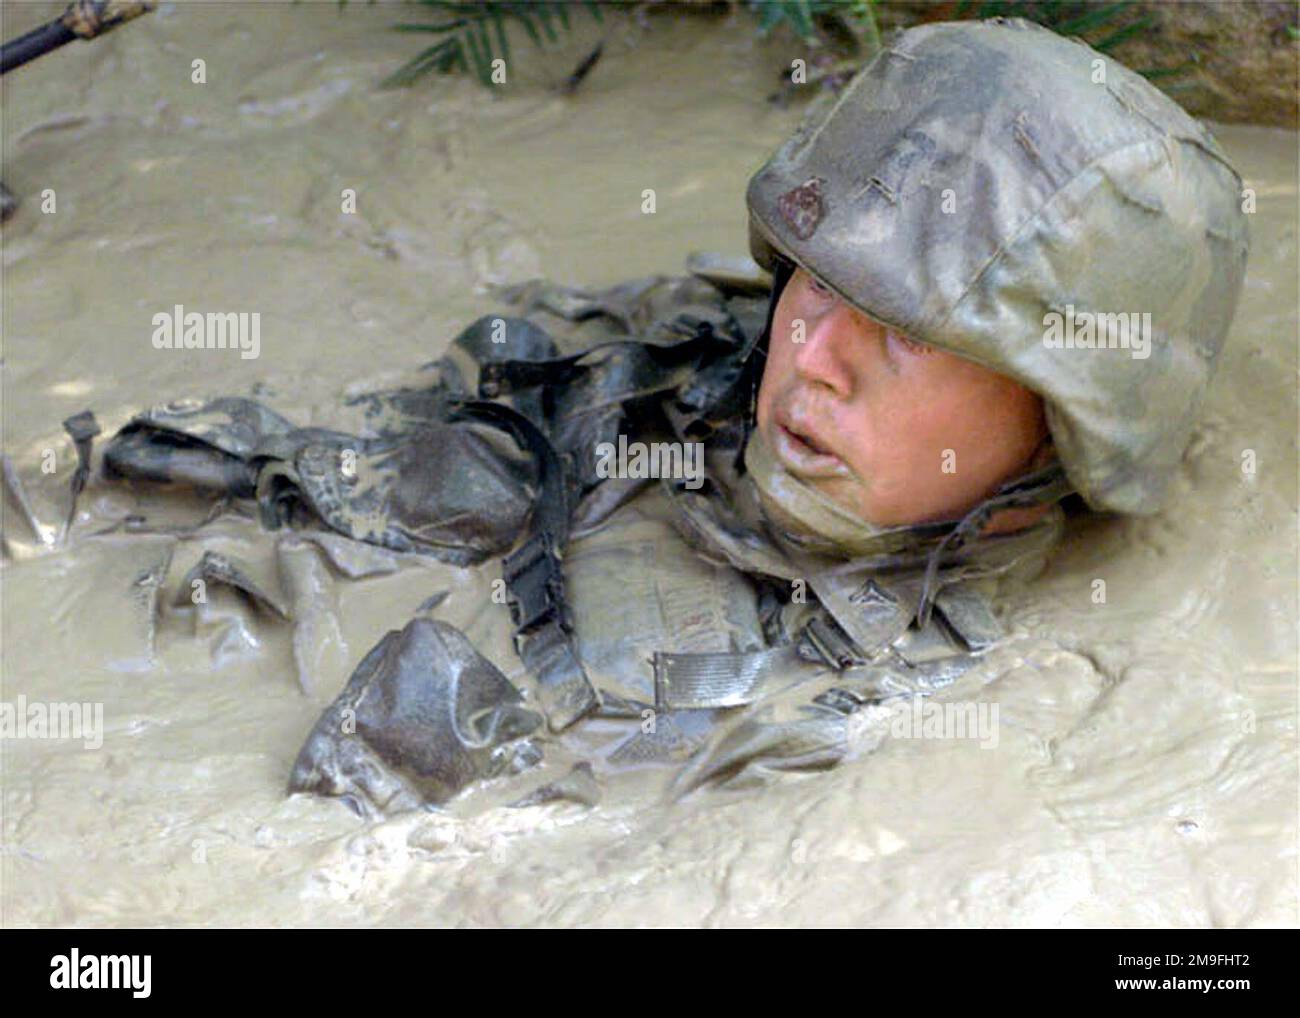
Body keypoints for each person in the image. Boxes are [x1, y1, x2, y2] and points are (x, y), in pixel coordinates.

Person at [93, 18, 1250, 815]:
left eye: (905, 330)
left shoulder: (959, 704)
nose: (814, 360)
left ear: (1069, 420)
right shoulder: (639, 363)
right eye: (814, 283)